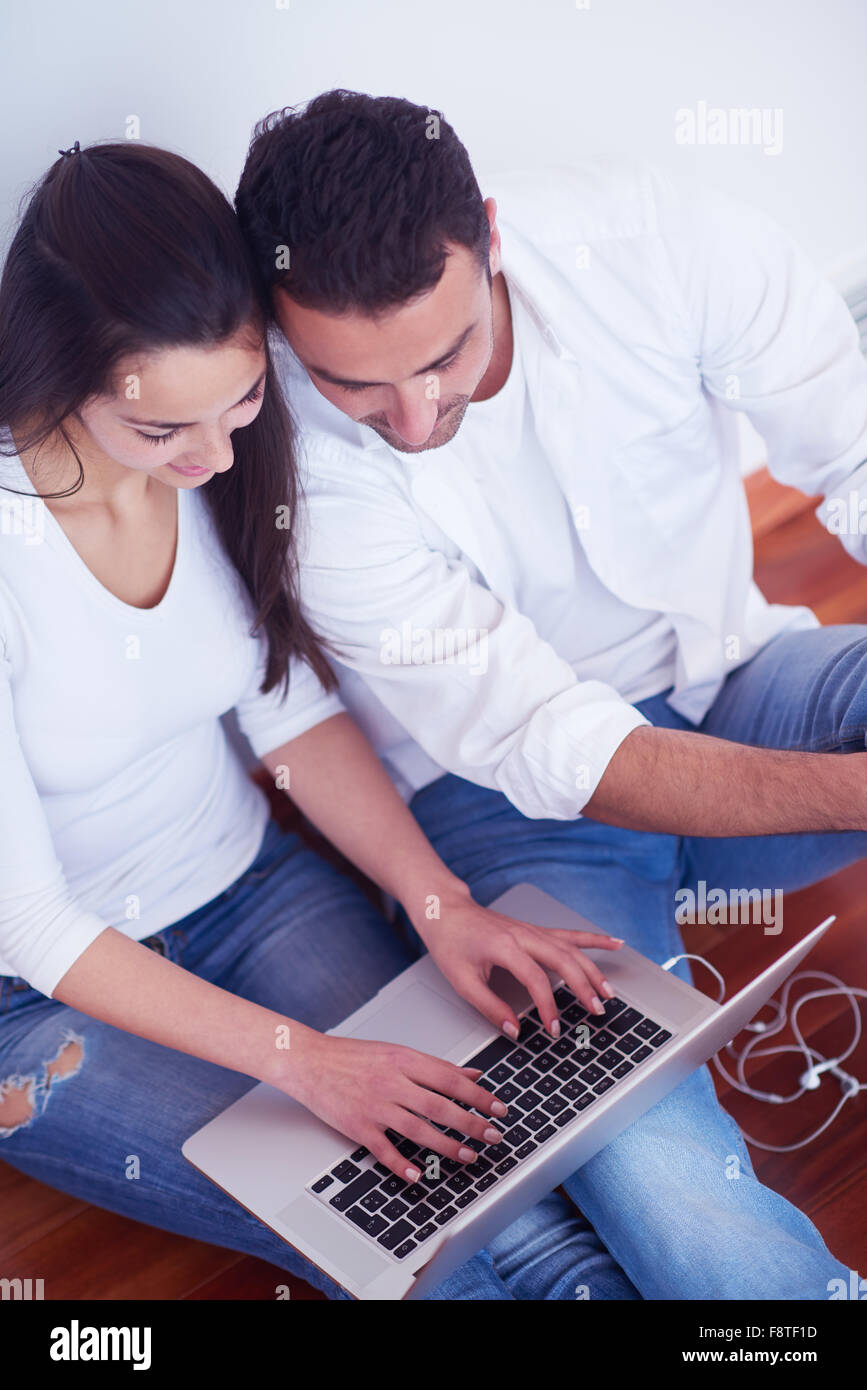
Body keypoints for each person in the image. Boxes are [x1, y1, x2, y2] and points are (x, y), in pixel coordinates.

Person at [233, 89, 867, 1298]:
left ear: (489, 234)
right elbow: (558, 745)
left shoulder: (658, 242)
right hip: (520, 826)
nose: (415, 420)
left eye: (443, 354)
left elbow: (854, 449)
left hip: (738, 680)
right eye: (356, 386)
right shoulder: (291, 468)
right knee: (686, 1222)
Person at [0, 139, 647, 1302]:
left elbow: (285, 709)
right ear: (56, 379)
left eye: (245, 398)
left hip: (247, 891)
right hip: (29, 994)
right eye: (162, 433)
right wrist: (309, 1064)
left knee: (513, 1190)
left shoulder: (226, 458)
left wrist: (436, 902)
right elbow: (35, 924)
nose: (216, 456)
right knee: (402, 1236)